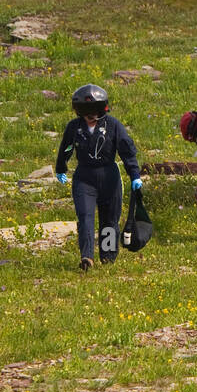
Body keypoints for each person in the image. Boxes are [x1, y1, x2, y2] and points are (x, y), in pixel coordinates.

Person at [55, 83, 142, 271]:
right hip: (84, 178)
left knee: (110, 219)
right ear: (80, 111)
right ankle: (87, 257)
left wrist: (134, 175)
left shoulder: (113, 125)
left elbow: (126, 151)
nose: (91, 115)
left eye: (95, 110)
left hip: (109, 177)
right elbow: (67, 148)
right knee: (85, 216)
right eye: (87, 111)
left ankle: (108, 256)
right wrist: (61, 168)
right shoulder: (74, 127)